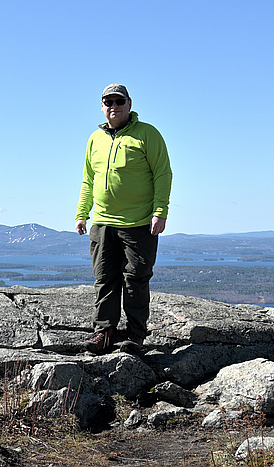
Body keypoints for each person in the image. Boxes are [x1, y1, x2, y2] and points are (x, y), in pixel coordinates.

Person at [75, 84, 173, 354]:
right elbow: (88, 179)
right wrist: (82, 213)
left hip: (139, 223)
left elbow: (163, 174)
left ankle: (135, 335)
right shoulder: (95, 138)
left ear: (129, 104)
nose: (113, 106)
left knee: (136, 279)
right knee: (105, 278)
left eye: (119, 101)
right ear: (102, 105)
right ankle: (104, 332)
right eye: (108, 101)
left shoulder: (147, 134)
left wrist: (160, 211)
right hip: (103, 222)